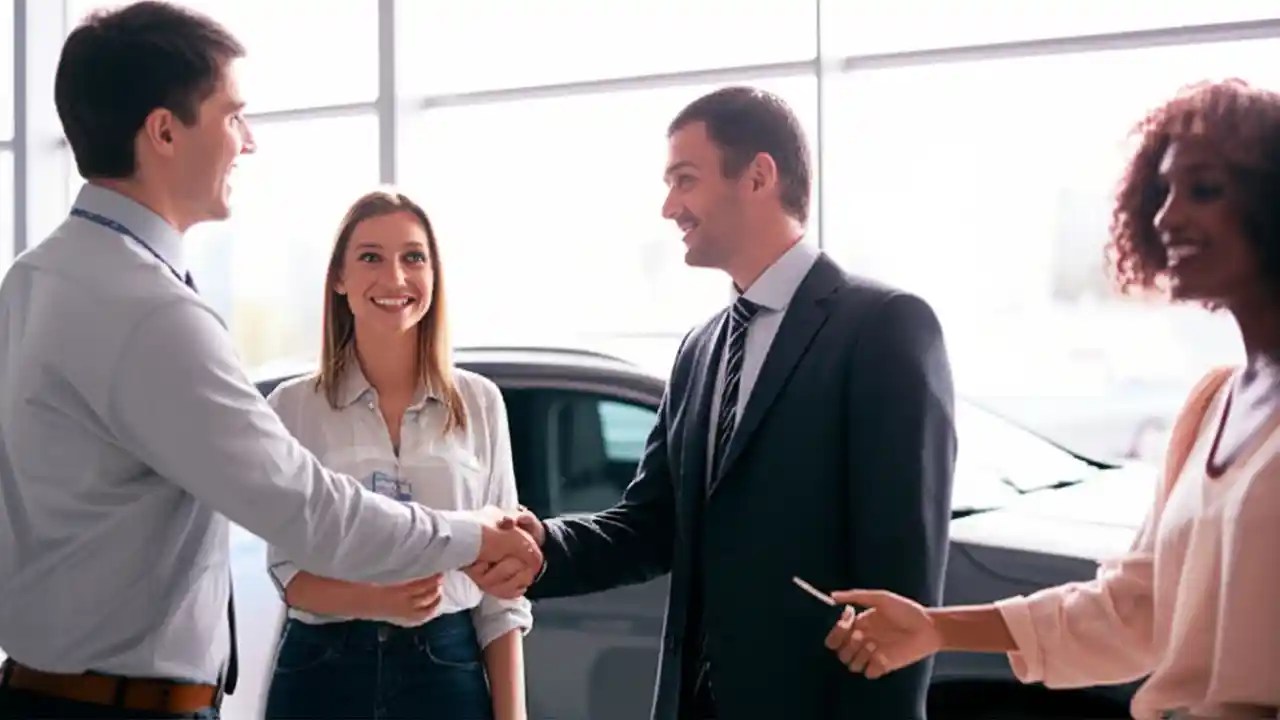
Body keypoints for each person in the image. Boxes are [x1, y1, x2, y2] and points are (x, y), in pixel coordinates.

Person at [0, 4, 539, 719]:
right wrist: (473, 534)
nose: (246, 143)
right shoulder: (149, 311)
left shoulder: (36, 278)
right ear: (164, 131)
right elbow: (308, 513)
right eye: (232, 116)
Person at [476, 86, 957, 719]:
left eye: (685, 180)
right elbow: (650, 526)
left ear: (758, 176)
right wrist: (545, 545)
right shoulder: (699, 349)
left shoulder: (884, 327)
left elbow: (901, 582)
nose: (669, 206)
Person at [823, 79, 1280, 720]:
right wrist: (935, 627)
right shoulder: (1211, 405)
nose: (1167, 216)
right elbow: (1134, 610)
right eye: (1162, 191)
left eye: (1203, 190)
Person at [260, 190, 532, 720]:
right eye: (370, 257)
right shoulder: (292, 407)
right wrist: (376, 599)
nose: (395, 278)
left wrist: (513, 716)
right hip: (323, 668)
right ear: (339, 278)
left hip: (445, 668)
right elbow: (287, 573)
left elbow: (503, 592)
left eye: (413, 257)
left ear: (434, 275)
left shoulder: (480, 403)